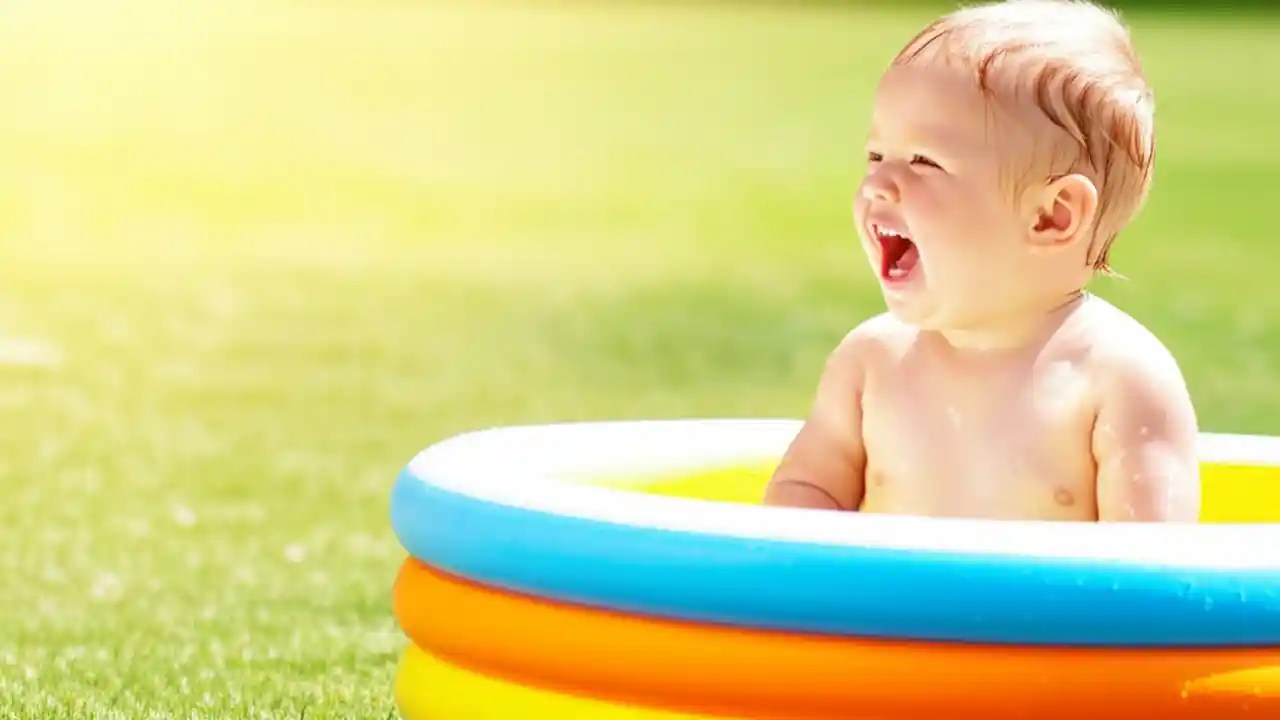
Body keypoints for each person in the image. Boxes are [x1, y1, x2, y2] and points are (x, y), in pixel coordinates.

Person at [763, 0, 1200, 521]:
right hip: (894, 608)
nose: (877, 184)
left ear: (1050, 218)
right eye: (877, 156)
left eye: (924, 161)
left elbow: (1149, 575)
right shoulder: (870, 363)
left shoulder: (1117, 379)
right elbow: (801, 500)